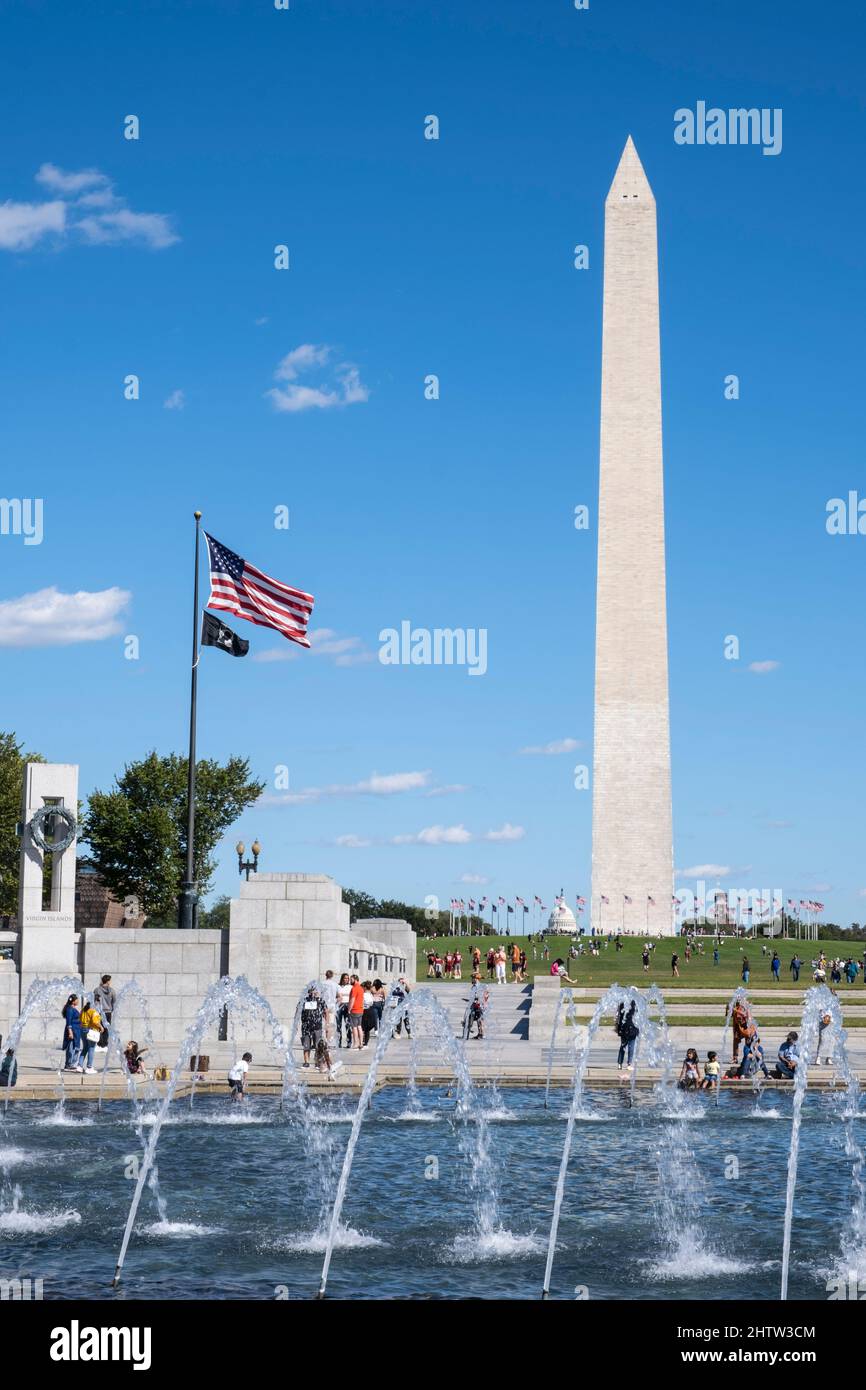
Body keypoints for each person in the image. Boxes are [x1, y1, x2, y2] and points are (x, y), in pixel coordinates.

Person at [300, 987, 326, 1067]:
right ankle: (306, 1062)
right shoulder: (304, 1001)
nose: (313, 993)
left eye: (315, 991)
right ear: (308, 992)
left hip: (317, 1026)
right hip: (306, 1026)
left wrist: (327, 1024)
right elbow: (298, 1011)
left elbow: (326, 1011)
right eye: (311, 991)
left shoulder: (320, 1001)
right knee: (306, 1045)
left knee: (318, 1046)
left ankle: (318, 1062)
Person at [78, 999, 103, 1074]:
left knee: (85, 1048)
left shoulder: (84, 1009)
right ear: (95, 1002)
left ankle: (79, 1066)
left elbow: (79, 1019)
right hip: (91, 1030)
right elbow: (95, 1022)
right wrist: (101, 1027)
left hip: (83, 1029)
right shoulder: (93, 1011)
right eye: (99, 1002)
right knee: (91, 1049)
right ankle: (89, 1067)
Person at [615, 1000, 639, 1074]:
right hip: (632, 1029)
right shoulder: (635, 1003)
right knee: (630, 1047)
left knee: (623, 1046)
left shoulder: (622, 1003)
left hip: (624, 1028)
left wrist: (617, 1027)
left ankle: (620, 1064)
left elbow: (618, 1016)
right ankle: (629, 1064)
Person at [92, 974, 116, 1049]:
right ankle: (105, 1044)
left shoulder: (97, 990)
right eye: (110, 980)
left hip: (100, 1012)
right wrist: (112, 1008)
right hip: (108, 1012)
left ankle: (99, 1044)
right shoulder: (112, 990)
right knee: (106, 1029)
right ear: (108, 981)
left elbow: (95, 1001)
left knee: (99, 1027)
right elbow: (114, 1001)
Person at [62, 993, 82, 1070]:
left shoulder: (73, 1008)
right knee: (71, 1048)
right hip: (72, 1031)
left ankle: (73, 1064)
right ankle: (68, 1064)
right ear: (73, 1001)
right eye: (77, 1000)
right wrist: (70, 1032)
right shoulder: (69, 1009)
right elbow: (69, 1021)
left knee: (75, 1047)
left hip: (76, 1031)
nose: (78, 1001)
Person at [348, 974, 365, 1050]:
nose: (350, 981)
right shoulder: (361, 988)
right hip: (360, 1009)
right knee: (359, 1026)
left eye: (351, 980)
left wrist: (349, 1009)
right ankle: (361, 1043)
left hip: (354, 1009)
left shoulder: (354, 988)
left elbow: (352, 999)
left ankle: (356, 1043)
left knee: (354, 1027)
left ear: (355, 979)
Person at [320, 969, 338, 1043]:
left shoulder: (322, 983)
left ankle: (322, 1038)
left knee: (322, 1022)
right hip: (332, 1005)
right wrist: (336, 1003)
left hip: (323, 1004)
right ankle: (328, 1040)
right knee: (330, 1023)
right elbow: (340, 996)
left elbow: (319, 994)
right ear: (332, 976)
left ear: (325, 975)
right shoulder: (335, 984)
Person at [335, 973, 351, 1047]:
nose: (346, 980)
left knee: (348, 1024)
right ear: (342, 978)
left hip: (347, 1005)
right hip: (339, 1005)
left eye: (347, 978)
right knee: (338, 1025)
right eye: (345, 978)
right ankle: (339, 1042)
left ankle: (349, 1041)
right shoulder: (338, 986)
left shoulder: (350, 987)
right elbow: (335, 995)